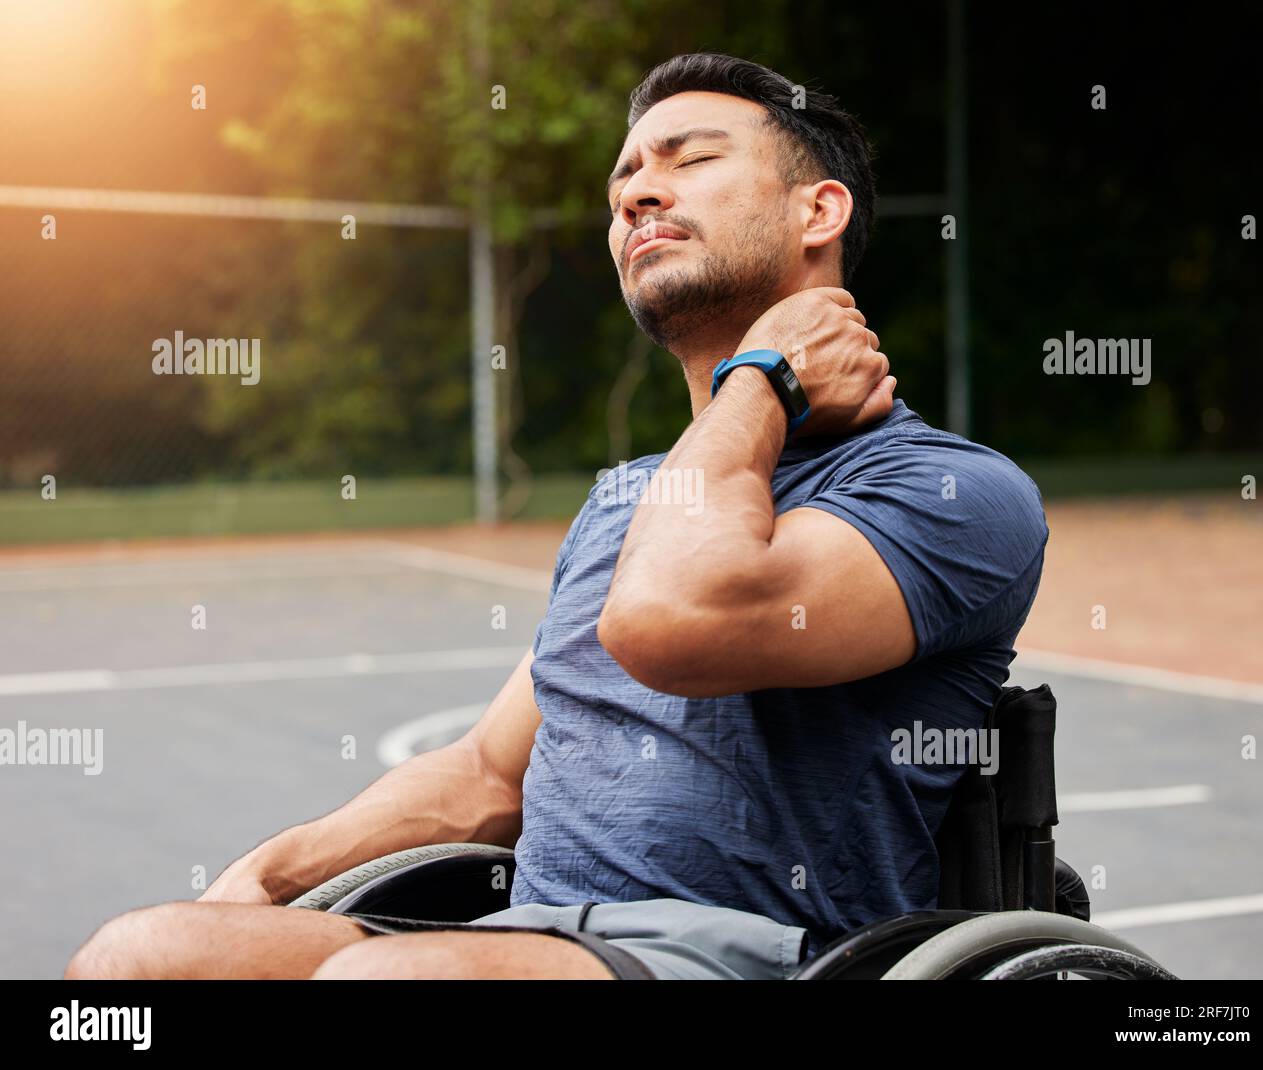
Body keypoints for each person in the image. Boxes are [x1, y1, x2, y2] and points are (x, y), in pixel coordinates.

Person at [66, 52, 1047, 981]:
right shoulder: (628, 498)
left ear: (817, 209)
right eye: (623, 180)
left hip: (760, 951)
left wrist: (763, 377)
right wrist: (272, 873)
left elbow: (670, 619)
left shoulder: (948, 492)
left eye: (690, 159)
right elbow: (489, 772)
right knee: (141, 954)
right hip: (527, 939)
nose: (636, 193)